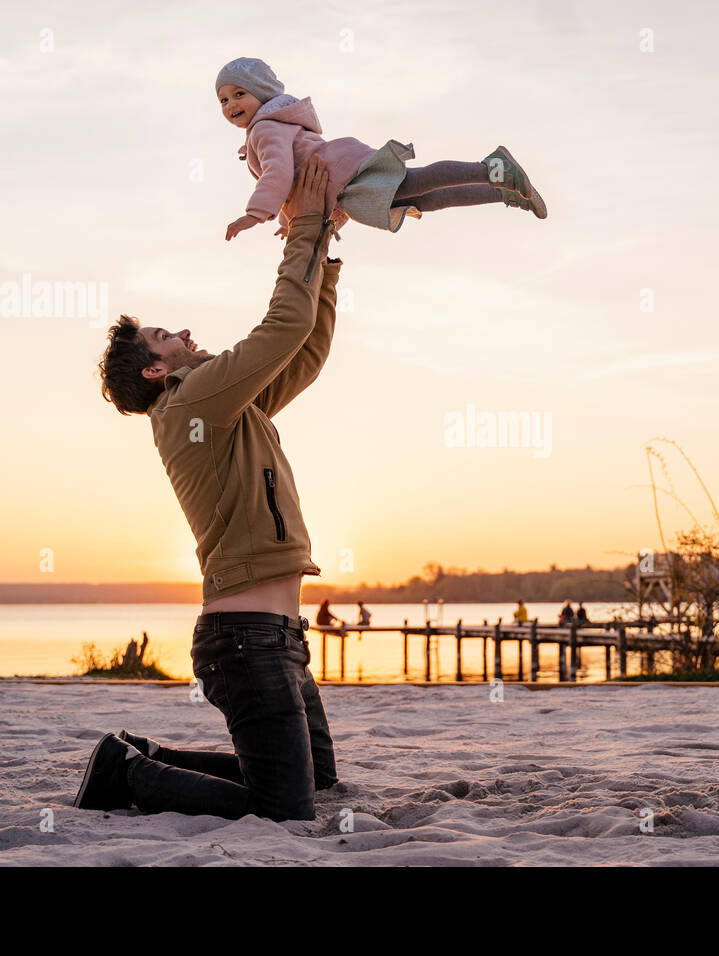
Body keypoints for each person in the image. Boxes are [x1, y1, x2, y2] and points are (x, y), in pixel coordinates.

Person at [79, 158, 339, 822]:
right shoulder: (195, 398)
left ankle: (137, 753)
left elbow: (301, 351)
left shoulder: (218, 409)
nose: (185, 333)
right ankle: (129, 773)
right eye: (167, 336)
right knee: (287, 811)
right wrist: (303, 229)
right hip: (246, 639)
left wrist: (324, 252)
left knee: (321, 783)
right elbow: (278, 330)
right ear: (159, 370)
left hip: (276, 637)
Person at [216, 57, 547, 245]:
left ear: (261, 93)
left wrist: (256, 213)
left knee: (420, 182)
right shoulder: (272, 127)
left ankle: (492, 168)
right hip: (345, 181)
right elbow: (295, 183)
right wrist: (292, 222)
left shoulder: (264, 128)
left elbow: (279, 172)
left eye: (239, 93)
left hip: (347, 175)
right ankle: (506, 190)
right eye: (223, 99)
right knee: (424, 200)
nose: (231, 104)